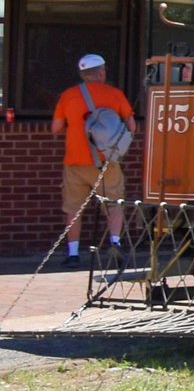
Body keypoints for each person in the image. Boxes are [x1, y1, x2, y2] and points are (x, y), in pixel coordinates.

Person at [53, 54, 136, 258]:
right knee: (114, 203)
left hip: (75, 161)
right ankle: (115, 243)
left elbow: (56, 128)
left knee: (74, 208)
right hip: (107, 161)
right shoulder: (115, 94)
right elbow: (132, 126)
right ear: (101, 72)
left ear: (82, 74)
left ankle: (73, 253)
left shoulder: (68, 95)